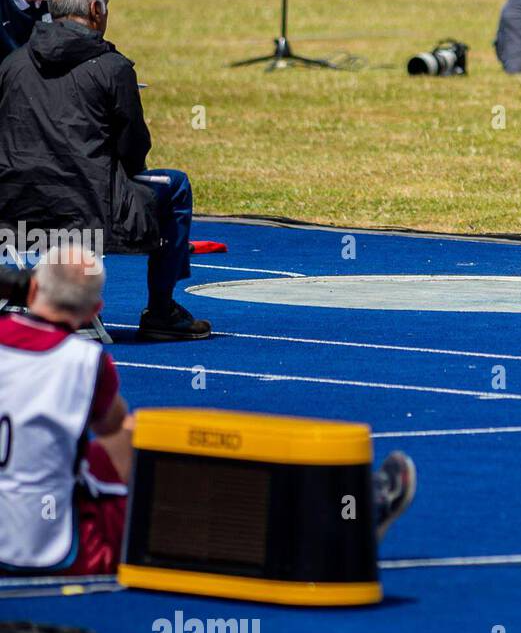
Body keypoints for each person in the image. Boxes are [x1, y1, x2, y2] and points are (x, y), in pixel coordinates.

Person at [0, 246, 417, 575]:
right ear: (96, 312)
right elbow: (114, 430)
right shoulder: (84, 363)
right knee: (160, 459)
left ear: (31, 290)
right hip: (52, 550)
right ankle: (340, 528)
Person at [0, 0, 208, 340]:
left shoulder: (12, 65)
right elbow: (133, 151)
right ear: (96, 10)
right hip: (88, 211)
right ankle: (161, 309)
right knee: (175, 185)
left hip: (13, 212)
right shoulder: (113, 68)